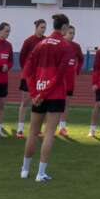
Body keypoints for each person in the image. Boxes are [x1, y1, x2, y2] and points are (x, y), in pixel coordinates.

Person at [19, 13, 71, 183]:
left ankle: (25, 170)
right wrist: (44, 93)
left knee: (33, 132)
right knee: (49, 133)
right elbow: (60, 75)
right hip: (54, 94)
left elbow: (28, 72)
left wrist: (35, 94)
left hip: (39, 94)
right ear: (63, 28)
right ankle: (40, 173)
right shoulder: (64, 46)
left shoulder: (40, 44)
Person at [55, 24, 82, 139]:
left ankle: (62, 127)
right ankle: (50, 127)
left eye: (73, 33)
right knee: (54, 104)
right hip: (58, 80)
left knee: (66, 104)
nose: (72, 35)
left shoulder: (76, 46)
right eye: (70, 33)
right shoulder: (58, 45)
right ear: (64, 33)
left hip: (70, 80)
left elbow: (81, 59)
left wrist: (77, 69)